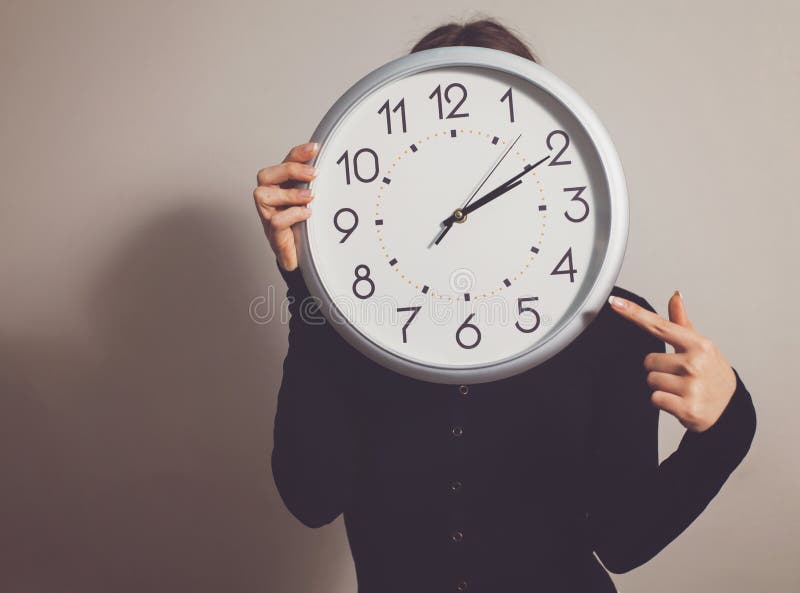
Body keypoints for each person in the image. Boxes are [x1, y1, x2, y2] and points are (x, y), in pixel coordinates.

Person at [254, 18, 757, 593]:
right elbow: (311, 497)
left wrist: (726, 422)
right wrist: (307, 286)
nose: (459, 201)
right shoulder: (355, 322)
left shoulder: (613, 326)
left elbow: (623, 540)